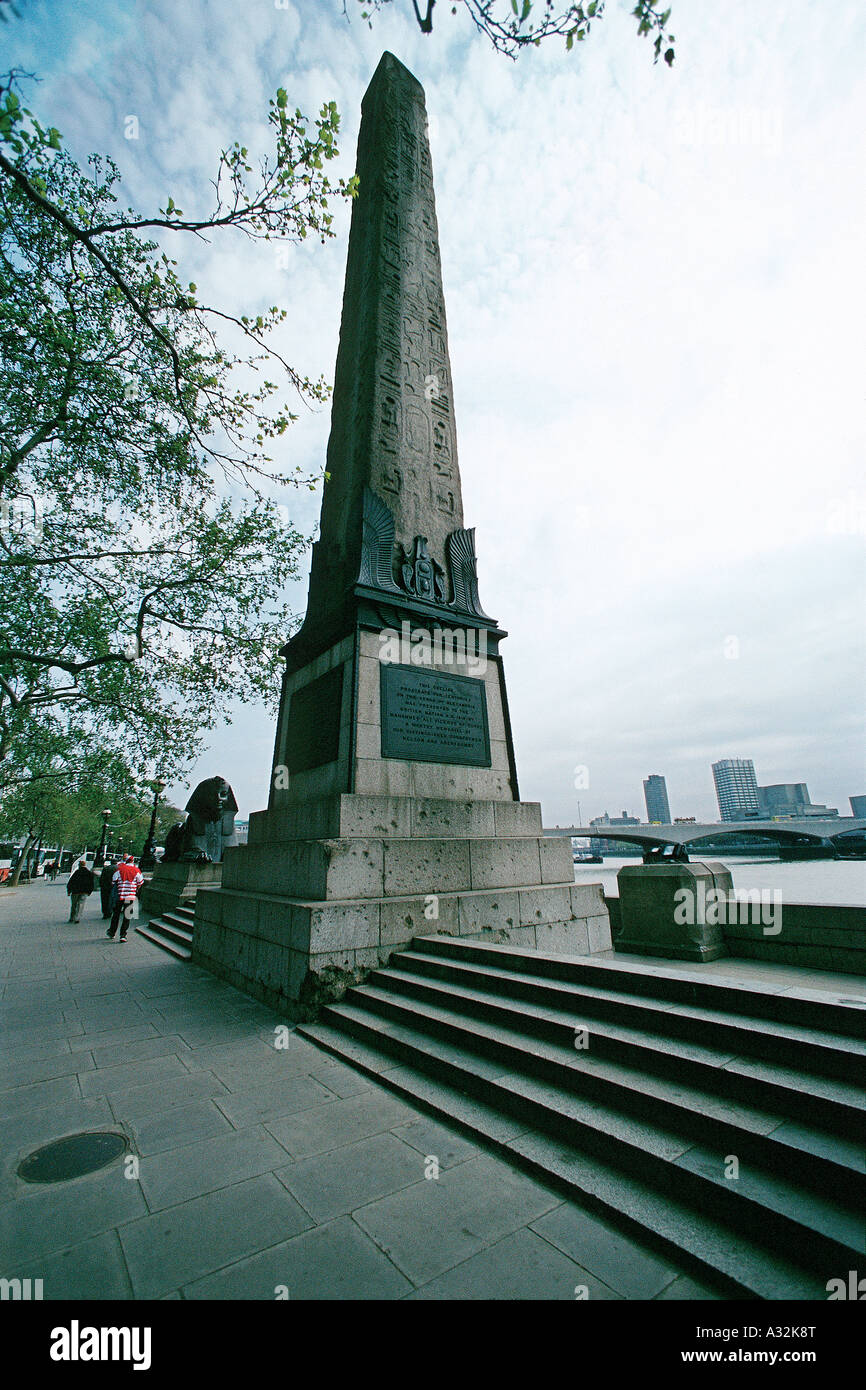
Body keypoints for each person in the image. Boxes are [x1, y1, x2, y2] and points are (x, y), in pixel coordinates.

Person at [106, 854, 144, 942]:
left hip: (120, 895)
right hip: (130, 896)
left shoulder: (119, 869)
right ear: (133, 861)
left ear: (126, 861)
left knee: (116, 914)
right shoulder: (136, 870)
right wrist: (135, 889)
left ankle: (112, 932)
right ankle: (123, 935)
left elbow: (113, 881)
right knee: (127, 916)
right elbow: (141, 882)